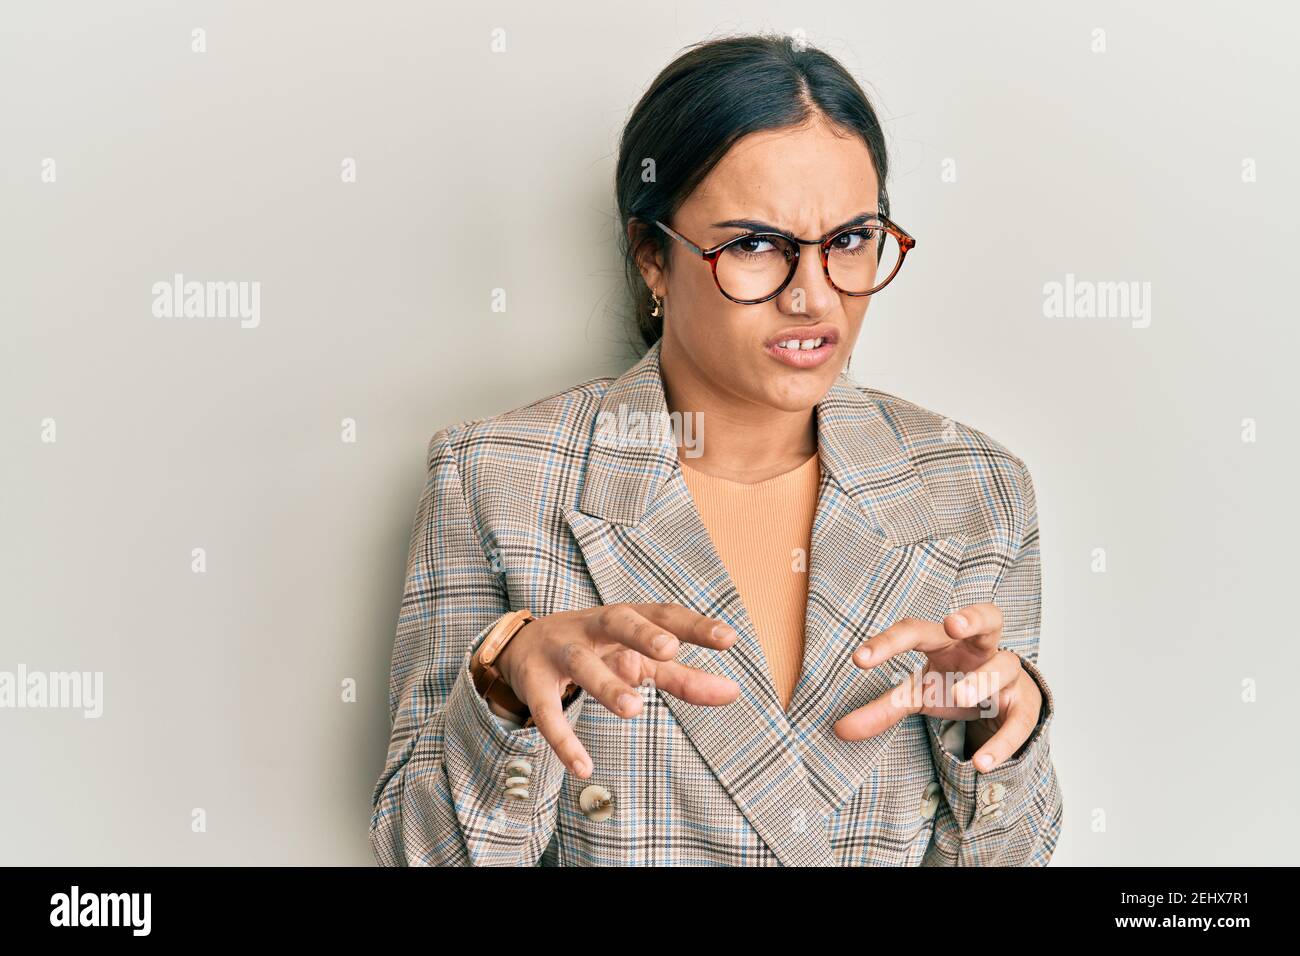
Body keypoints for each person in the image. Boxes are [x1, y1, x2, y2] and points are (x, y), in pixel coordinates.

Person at [369, 32, 1063, 866]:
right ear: (651, 256)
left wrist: (996, 735)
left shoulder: (977, 490)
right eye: (754, 246)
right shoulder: (497, 479)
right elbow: (421, 854)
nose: (813, 298)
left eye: (850, 240)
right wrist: (504, 686)